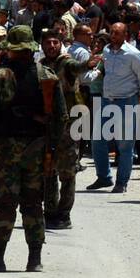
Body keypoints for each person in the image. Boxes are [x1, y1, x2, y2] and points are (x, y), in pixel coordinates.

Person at [0, 25, 64, 272]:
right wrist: (53, 148)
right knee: (33, 202)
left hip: (5, 149)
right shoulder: (47, 76)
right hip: (37, 148)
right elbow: (61, 117)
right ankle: (34, 259)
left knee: (4, 202)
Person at [86, 21, 140, 194]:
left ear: (125, 35)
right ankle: (104, 177)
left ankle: (121, 182)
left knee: (125, 144)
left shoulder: (134, 54)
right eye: (112, 32)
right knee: (97, 139)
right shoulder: (106, 51)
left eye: (117, 33)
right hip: (107, 100)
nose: (113, 36)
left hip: (126, 101)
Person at [40, 29, 84, 226]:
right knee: (48, 170)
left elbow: (77, 67)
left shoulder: (66, 63)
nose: (51, 46)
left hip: (69, 125)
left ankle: (64, 214)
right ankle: (49, 211)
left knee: (67, 172)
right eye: (48, 43)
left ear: (61, 44)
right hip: (47, 126)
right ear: (42, 46)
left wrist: (88, 64)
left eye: (55, 43)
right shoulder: (40, 67)